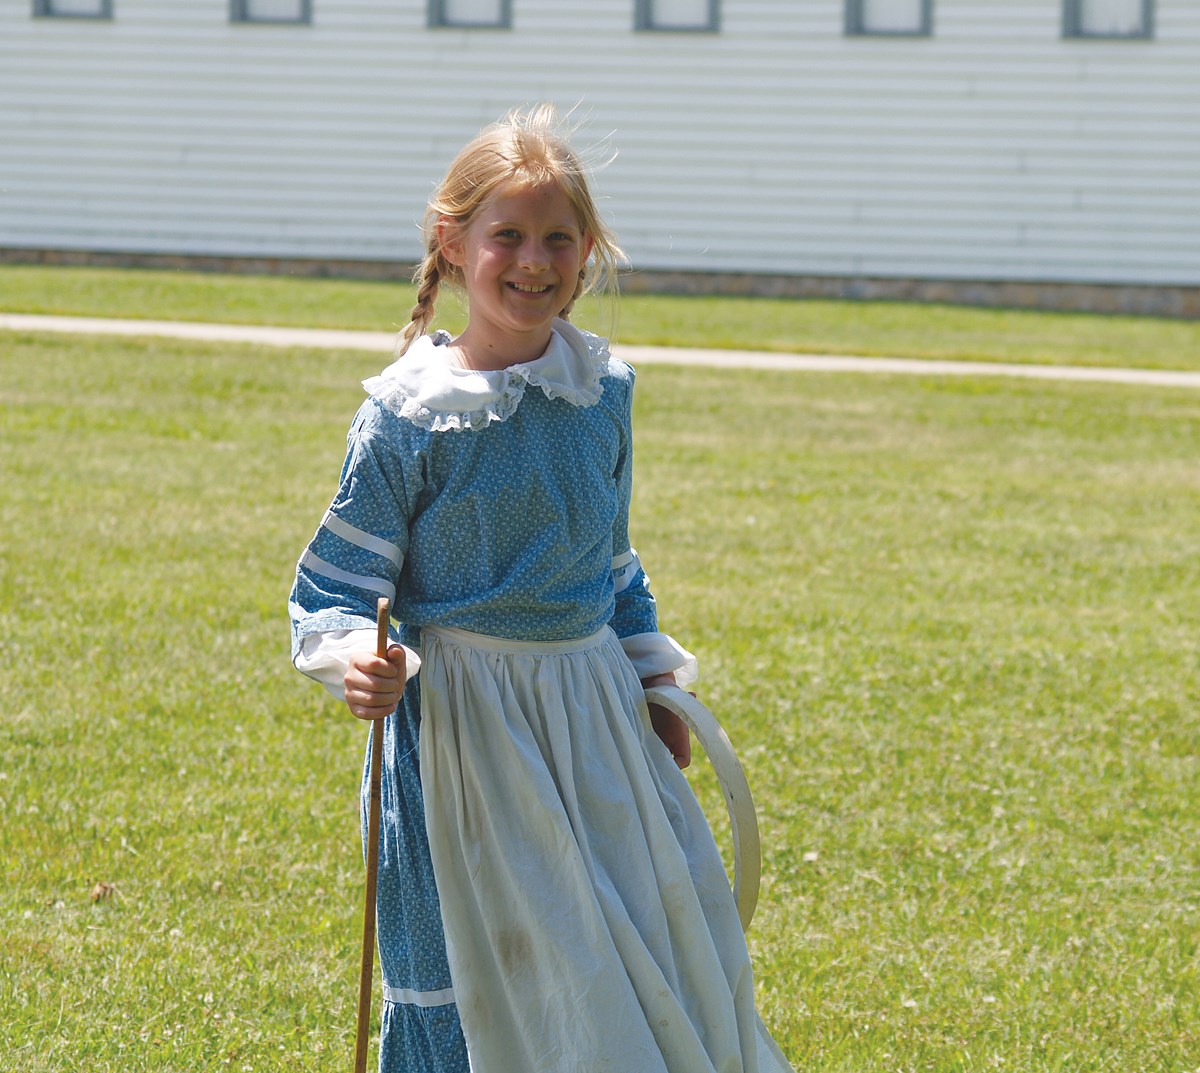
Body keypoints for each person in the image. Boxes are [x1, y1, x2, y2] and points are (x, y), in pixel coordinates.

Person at [289, 104, 791, 1073]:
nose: (533, 260)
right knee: (470, 970)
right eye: (506, 235)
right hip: (460, 746)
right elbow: (334, 589)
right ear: (453, 242)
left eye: (558, 238)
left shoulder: (603, 395)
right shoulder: (405, 419)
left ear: (588, 250)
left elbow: (613, 566)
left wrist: (654, 681)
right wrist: (361, 658)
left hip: (591, 724)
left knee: (614, 956)